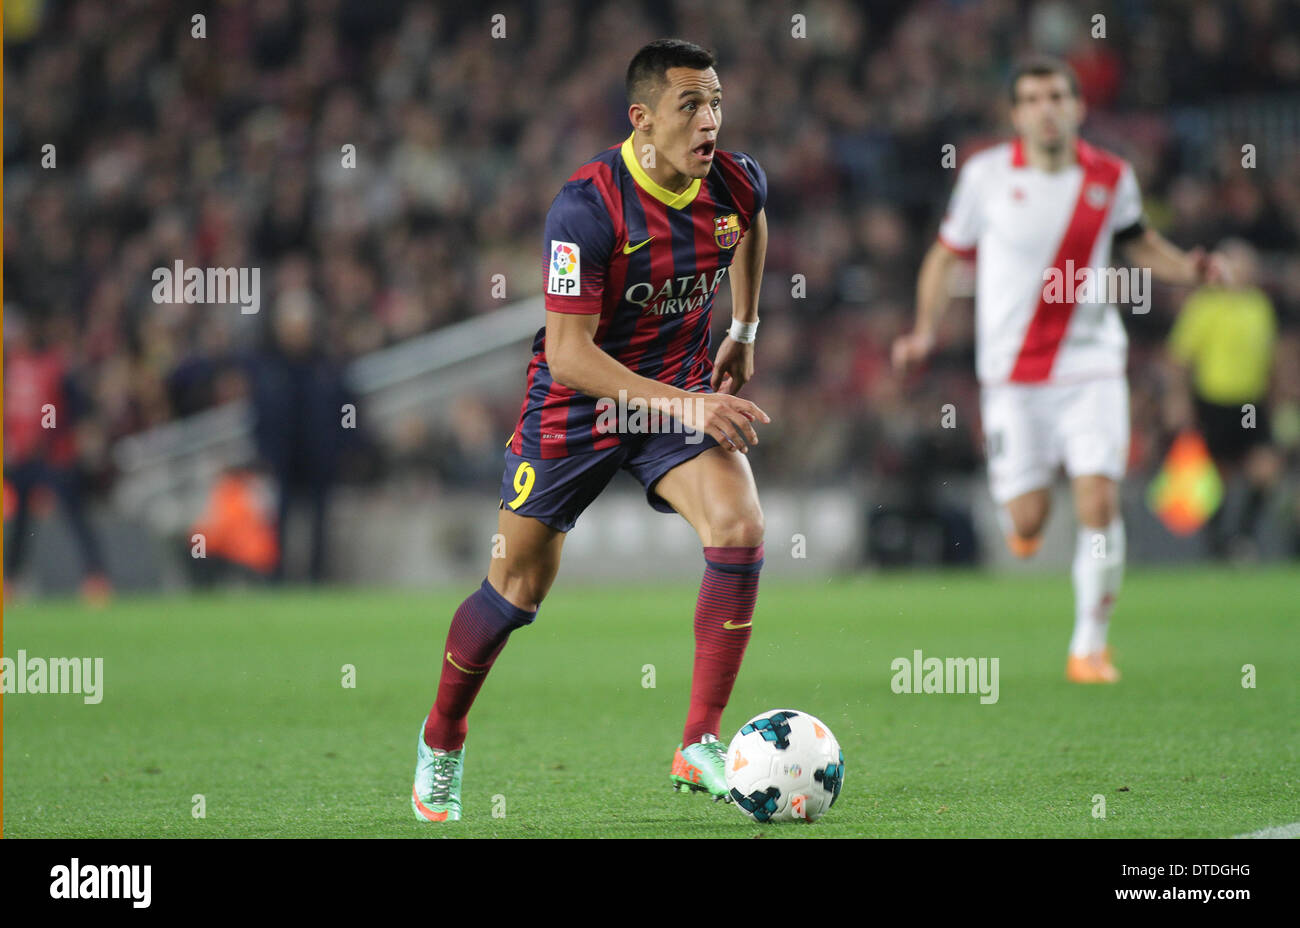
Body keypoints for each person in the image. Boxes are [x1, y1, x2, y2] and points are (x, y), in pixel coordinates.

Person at [412, 38, 770, 821]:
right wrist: (690, 405)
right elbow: (571, 355)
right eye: (690, 106)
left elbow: (751, 225)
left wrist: (742, 327)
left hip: (673, 394)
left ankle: (697, 740)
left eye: (715, 103)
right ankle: (443, 734)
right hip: (578, 406)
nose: (709, 120)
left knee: (739, 525)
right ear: (642, 120)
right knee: (514, 591)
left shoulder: (734, 181)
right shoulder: (587, 207)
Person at [892, 56, 1229, 684]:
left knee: (1099, 500)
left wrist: (1189, 268)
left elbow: (1137, 241)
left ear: (1077, 107)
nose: (1047, 109)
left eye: (1057, 96)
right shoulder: (986, 177)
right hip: (1012, 377)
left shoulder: (1112, 174)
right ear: (1016, 114)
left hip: (1093, 365)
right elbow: (944, 258)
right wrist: (924, 331)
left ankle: (1089, 646)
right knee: (1028, 521)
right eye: (1033, 99)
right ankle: (1023, 521)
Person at [1166, 239, 1281, 559]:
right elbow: (1180, 358)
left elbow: (1270, 358)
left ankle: (1243, 536)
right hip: (1213, 400)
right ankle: (1219, 544)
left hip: (1249, 403)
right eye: (1240, 264)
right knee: (1215, 475)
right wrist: (1180, 400)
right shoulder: (1204, 305)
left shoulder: (1260, 305)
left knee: (1265, 468)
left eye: (1250, 265)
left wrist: (1276, 396)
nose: (1246, 272)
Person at [3, 314, 112, 603]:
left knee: (75, 518)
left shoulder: (55, 367)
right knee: (20, 523)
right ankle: (10, 581)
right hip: (22, 459)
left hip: (56, 457)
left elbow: (76, 409)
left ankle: (95, 578)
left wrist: (65, 439)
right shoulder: (12, 368)